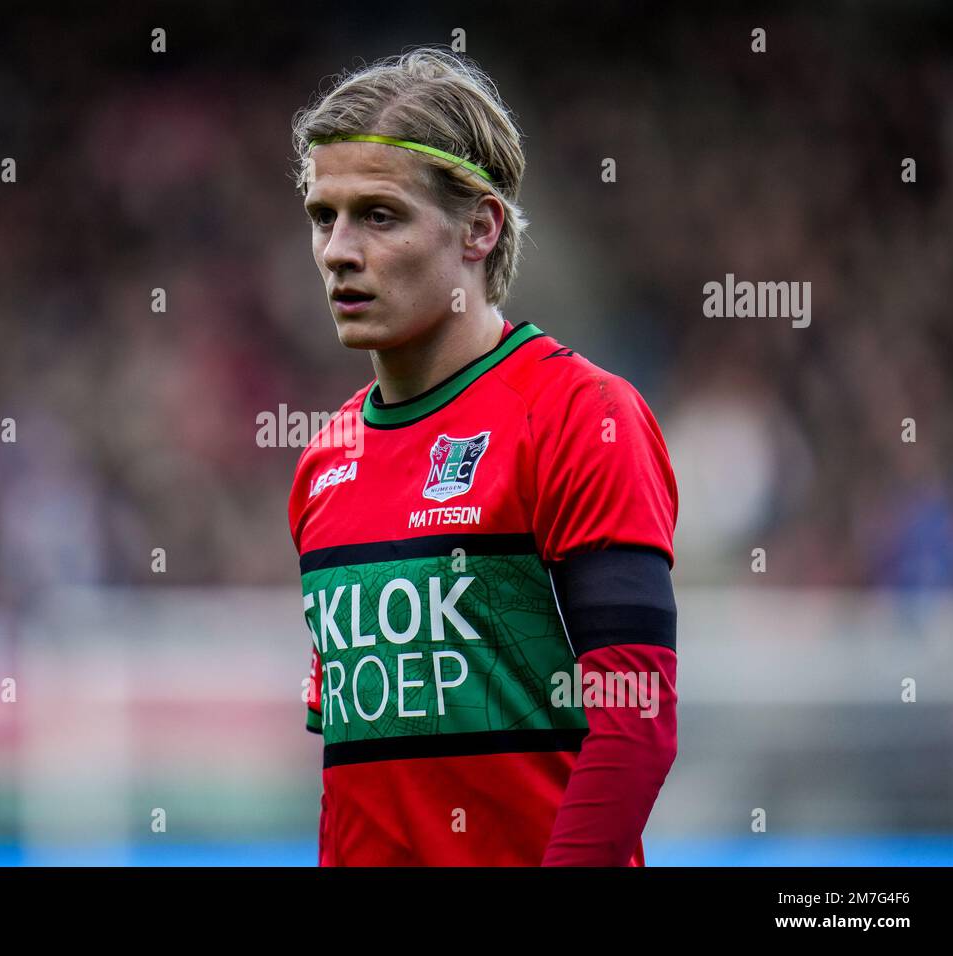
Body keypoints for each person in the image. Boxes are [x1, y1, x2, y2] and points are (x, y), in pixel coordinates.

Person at [286, 47, 679, 865]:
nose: (337, 251)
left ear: (479, 226)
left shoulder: (581, 415)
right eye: (325, 216)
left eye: (379, 215)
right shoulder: (323, 462)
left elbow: (635, 722)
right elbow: (355, 780)